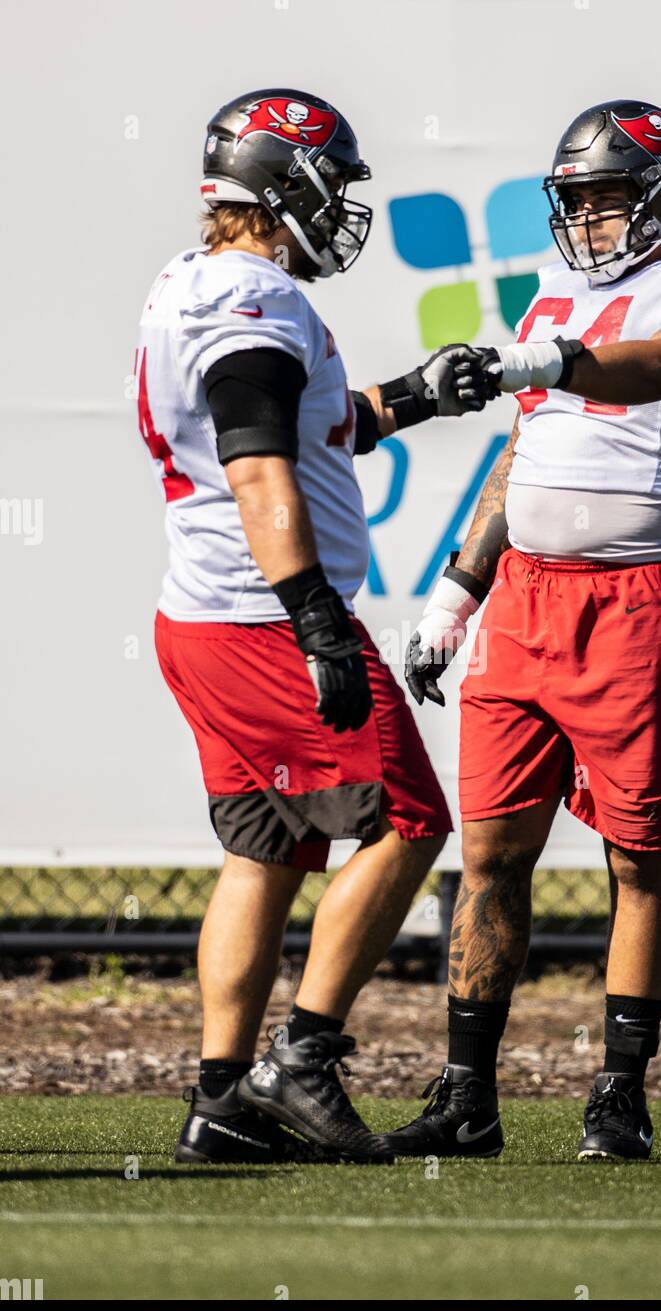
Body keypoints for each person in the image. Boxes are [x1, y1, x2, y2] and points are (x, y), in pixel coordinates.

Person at [387, 99, 661, 1161]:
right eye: (577, 199)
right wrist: (454, 594)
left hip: (647, 595)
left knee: (638, 853)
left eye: (608, 197)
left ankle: (617, 1091)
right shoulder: (557, 297)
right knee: (489, 855)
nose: (591, 218)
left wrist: (545, 363)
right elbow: (525, 457)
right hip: (525, 596)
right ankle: (466, 1092)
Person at [135, 88, 491, 1164]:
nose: (339, 203)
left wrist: (420, 396)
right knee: (409, 821)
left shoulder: (198, 287)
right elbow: (255, 464)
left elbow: (316, 426)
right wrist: (316, 621)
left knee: (272, 851)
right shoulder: (253, 300)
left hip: (205, 615)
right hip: (264, 616)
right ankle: (302, 1060)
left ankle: (218, 1100)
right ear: (283, 182)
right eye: (328, 180)